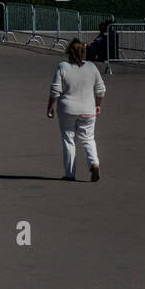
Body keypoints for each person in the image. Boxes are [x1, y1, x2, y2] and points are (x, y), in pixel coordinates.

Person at [47, 38, 106, 182]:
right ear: (84, 52)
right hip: (88, 110)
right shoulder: (92, 67)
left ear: (69, 52)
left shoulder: (63, 67)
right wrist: (98, 105)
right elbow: (101, 90)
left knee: (69, 140)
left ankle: (70, 174)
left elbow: (55, 90)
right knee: (88, 138)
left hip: (67, 110)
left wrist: (50, 107)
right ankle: (94, 163)